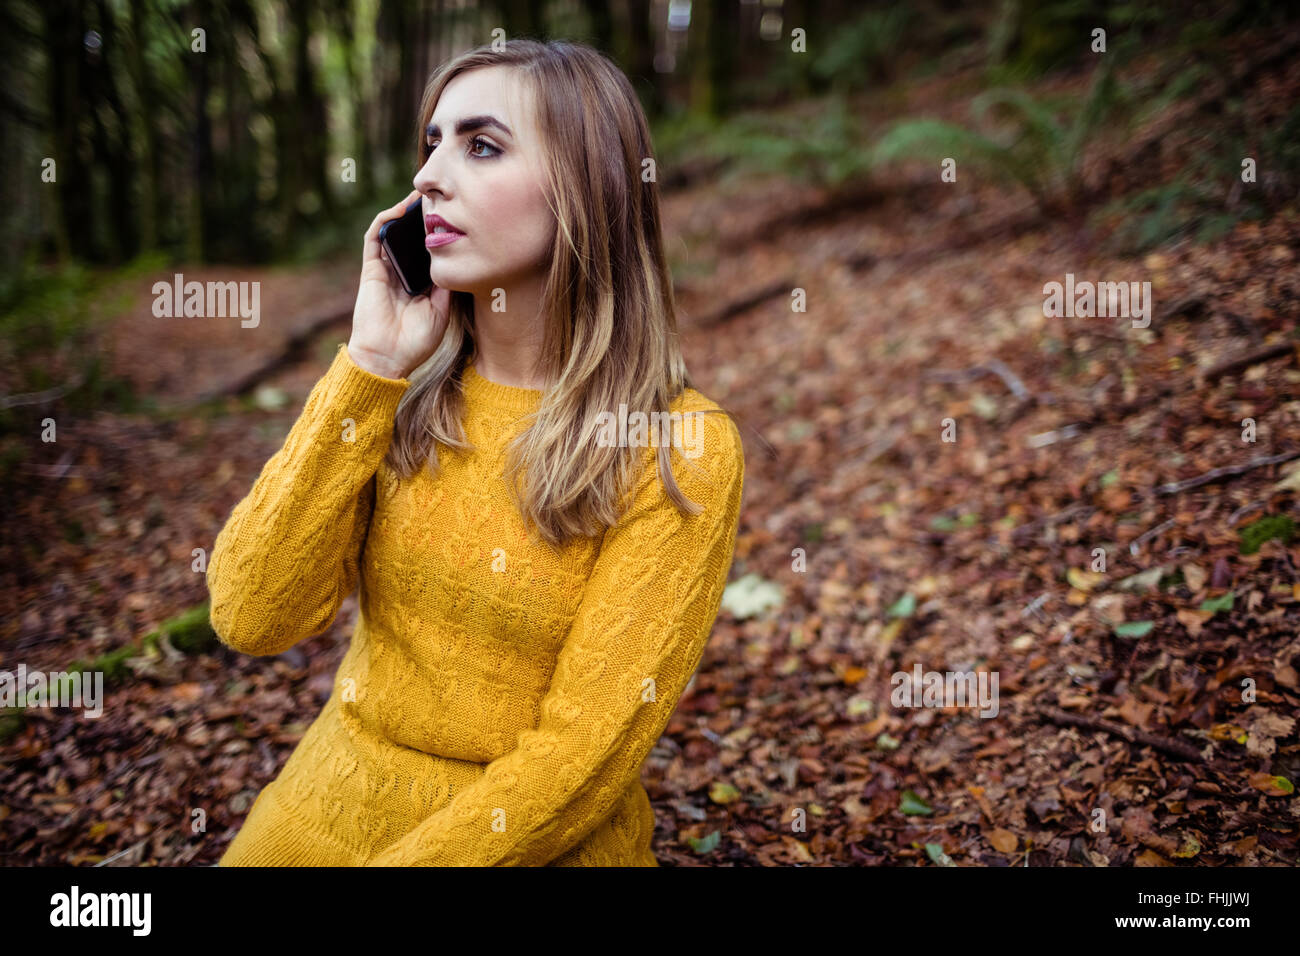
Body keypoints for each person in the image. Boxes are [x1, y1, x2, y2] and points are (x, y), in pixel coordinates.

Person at [208, 38, 745, 867]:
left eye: (482, 146)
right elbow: (252, 615)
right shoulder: (399, 398)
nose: (427, 176)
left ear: (587, 188)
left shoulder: (678, 449)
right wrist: (372, 367)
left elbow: (581, 761)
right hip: (321, 804)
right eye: (432, 143)